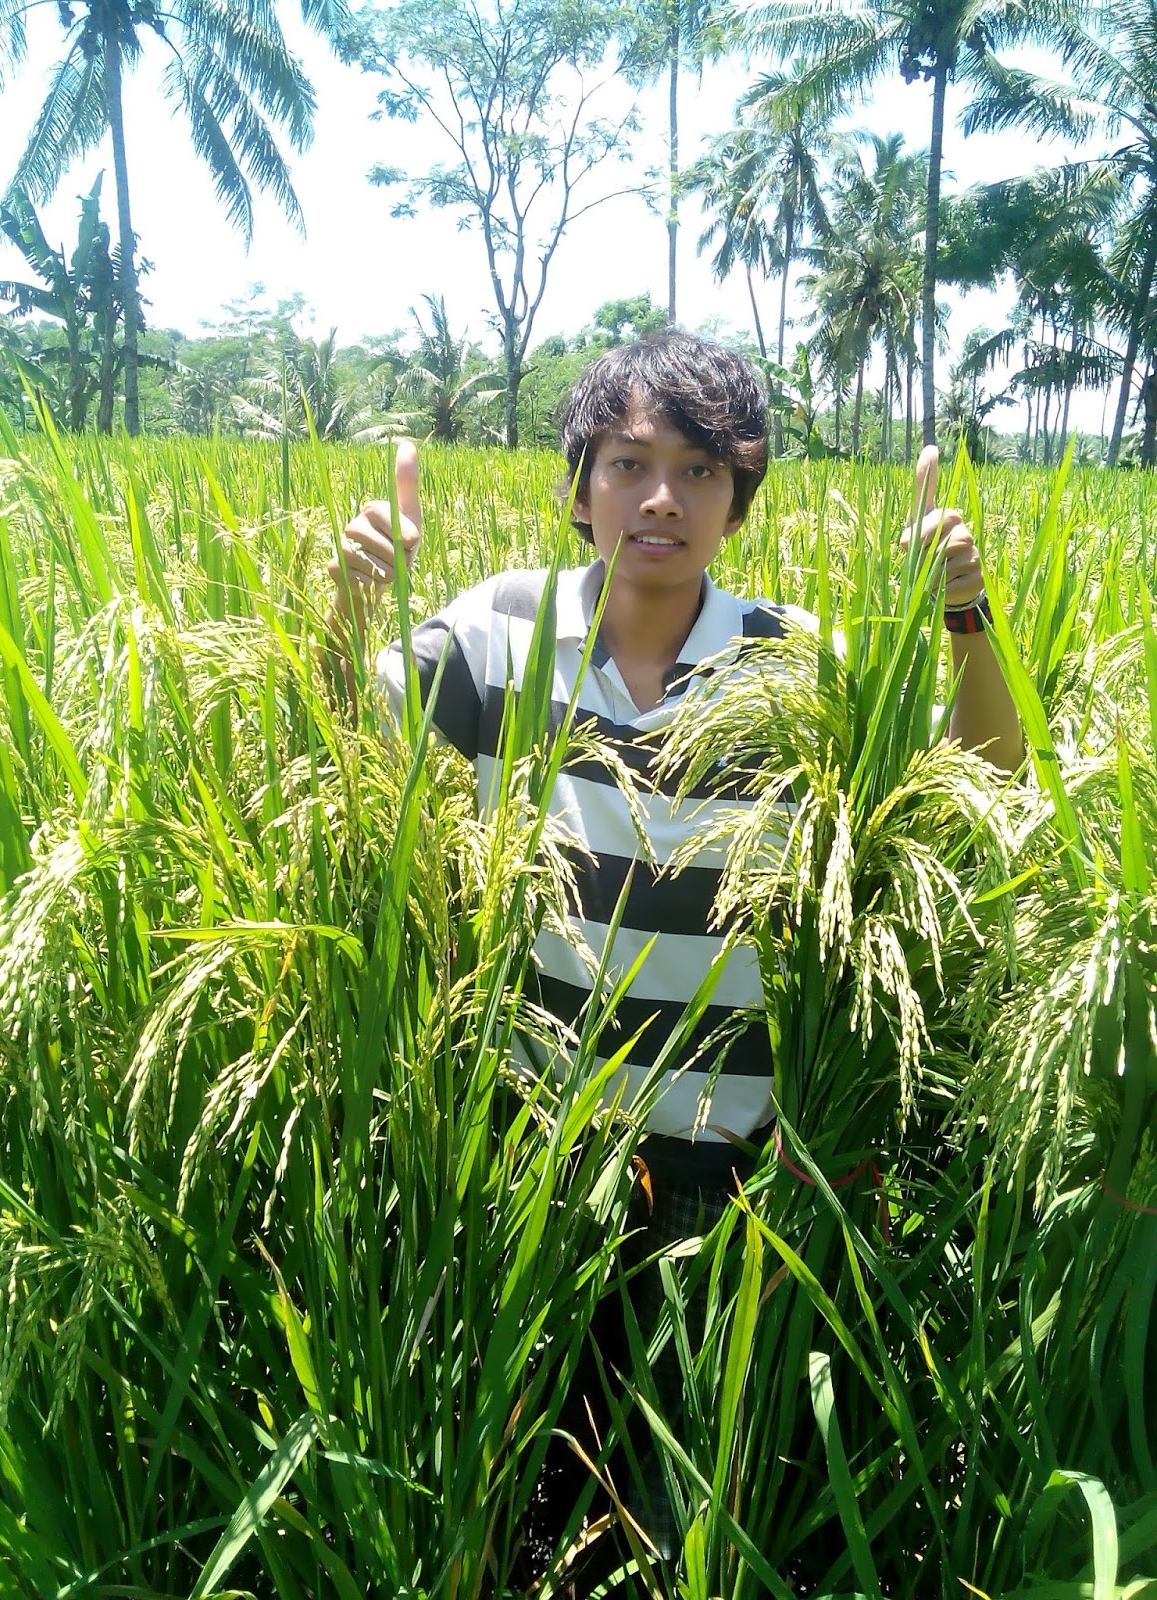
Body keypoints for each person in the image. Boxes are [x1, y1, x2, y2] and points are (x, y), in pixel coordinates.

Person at [324, 330, 1024, 1584]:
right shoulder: (499, 632)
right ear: (579, 480)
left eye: (700, 469)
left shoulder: (794, 661)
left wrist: (962, 615)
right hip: (533, 1167)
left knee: (688, 1510)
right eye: (628, 461)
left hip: (733, 1183)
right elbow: (339, 756)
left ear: (738, 498)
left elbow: (988, 782)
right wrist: (350, 610)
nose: (660, 497)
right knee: (526, 1502)